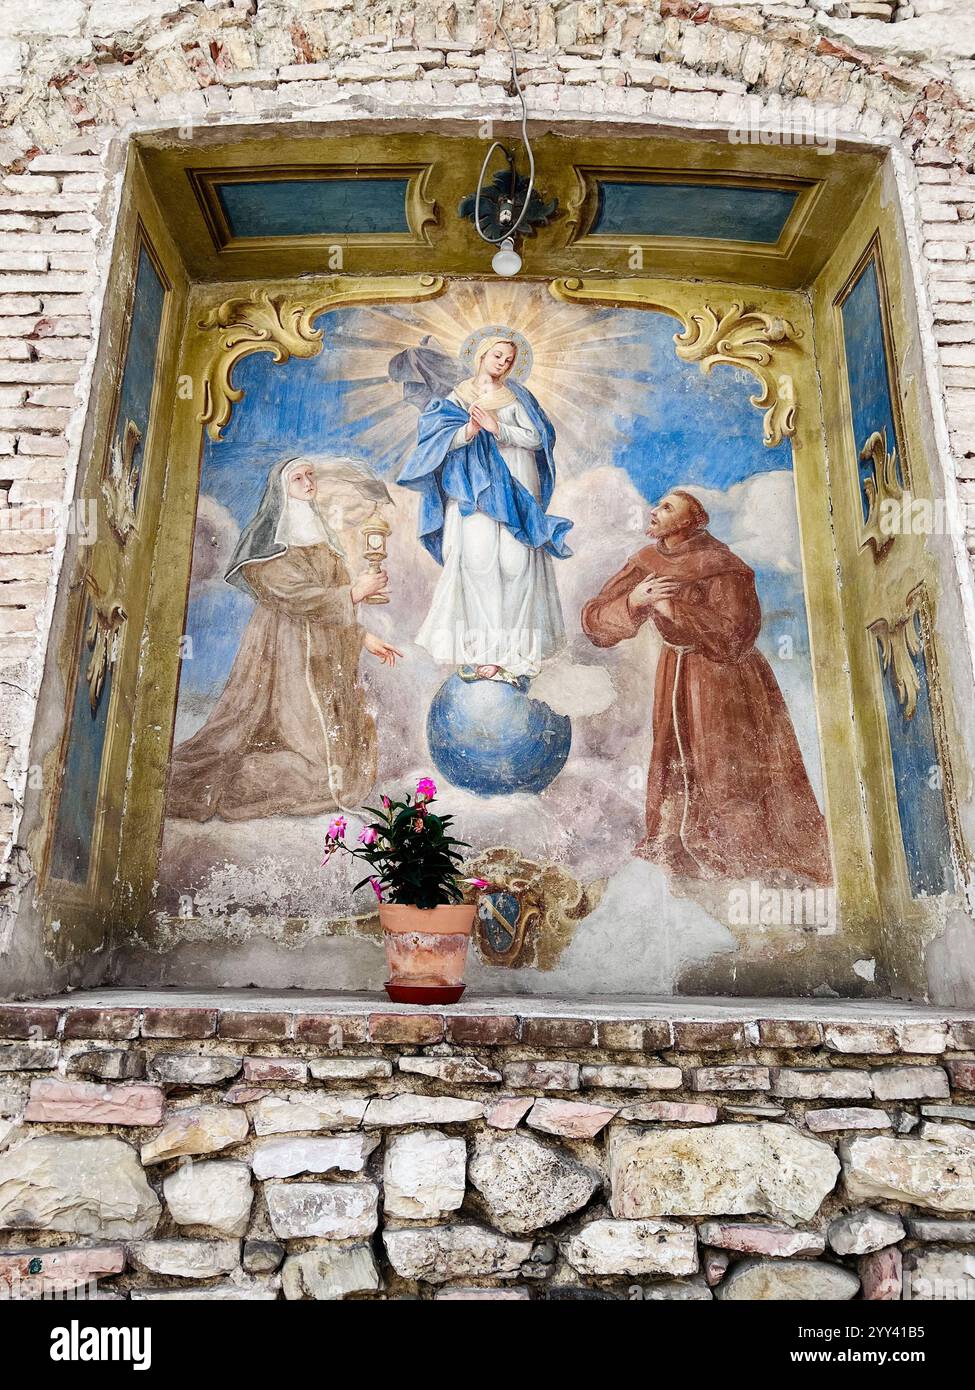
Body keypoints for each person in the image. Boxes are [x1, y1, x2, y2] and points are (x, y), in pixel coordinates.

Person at [582, 488, 831, 885]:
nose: (654, 511)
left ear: (689, 520)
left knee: (726, 763)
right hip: (675, 672)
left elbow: (737, 635)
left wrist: (672, 608)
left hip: (725, 679)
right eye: (657, 505)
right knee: (675, 758)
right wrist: (634, 599)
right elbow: (595, 622)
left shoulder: (723, 566)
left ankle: (740, 857)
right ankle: (678, 851)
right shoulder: (646, 562)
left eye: (666, 508)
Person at [167, 455, 401, 822]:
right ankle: (228, 780)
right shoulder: (268, 546)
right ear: (281, 491)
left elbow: (329, 609)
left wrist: (362, 637)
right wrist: (353, 594)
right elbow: (293, 595)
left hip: (323, 662)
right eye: (298, 479)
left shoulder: (324, 543)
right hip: (285, 659)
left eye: (311, 476)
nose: (309, 484)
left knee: (349, 769)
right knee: (322, 774)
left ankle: (259, 763)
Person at [398, 334, 571, 683]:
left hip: (518, 486)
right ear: (481, 355)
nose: (503, 363)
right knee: (478, 563)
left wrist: (500, 428)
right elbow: (437, 441)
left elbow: (539, 438)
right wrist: (470, 430)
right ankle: (483, 653)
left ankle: (515, 652)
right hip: (473, 489)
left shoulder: (519, 396)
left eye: (508, 360)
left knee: (516, 564)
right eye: (497, 356)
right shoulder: (457, 396)